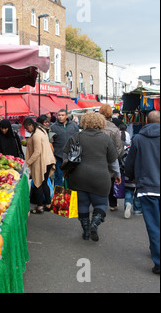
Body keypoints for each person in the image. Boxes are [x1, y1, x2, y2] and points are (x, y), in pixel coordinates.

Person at [63, 112, 121, 242]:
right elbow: (113, 160)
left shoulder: (76, 136)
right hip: (100, 177)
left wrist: (65, 170)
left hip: (78, 177)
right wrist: (117, 174)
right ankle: (94, 223)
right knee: (100, 203)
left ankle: (86, 231)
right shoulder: (105, 138)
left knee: (82, 204)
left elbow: (65, 155)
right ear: (101, 123)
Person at [125, 110, 160, 275]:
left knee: (154, 226)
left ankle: (159, 261)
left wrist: (130, 177)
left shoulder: (138, 139)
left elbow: (130, 162)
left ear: (146, 121)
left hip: (147, 188)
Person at [23, 118, 56, 214]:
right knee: (45, 183)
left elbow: (37, 152)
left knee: (38, 183)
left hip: (42, 162)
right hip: (49, 160)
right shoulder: (41, 130)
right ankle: (48, 205)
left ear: (30, 125)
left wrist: (28, 162)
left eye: (26, 128)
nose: (26, 130)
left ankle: (39, 207)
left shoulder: (36, 135)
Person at [99, 104, 124, 211]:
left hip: (97, 159)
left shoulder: (95, 127)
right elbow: (119, 147)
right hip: (110, 159)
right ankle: (112, 204)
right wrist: (115, 158)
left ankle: (99, 203)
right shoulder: (114, 129)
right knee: (112, 180)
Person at [50, 109, 79, 187]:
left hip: (71, 155)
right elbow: (50, 142)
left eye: (62, 115)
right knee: (58, 175)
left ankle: (70, 193)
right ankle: (58, 196)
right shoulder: (53, 127)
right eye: (59, 115)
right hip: (58, 155)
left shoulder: (74, 126)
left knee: (70, 175)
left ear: (66, 116)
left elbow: (77, 139)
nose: (60, 117)